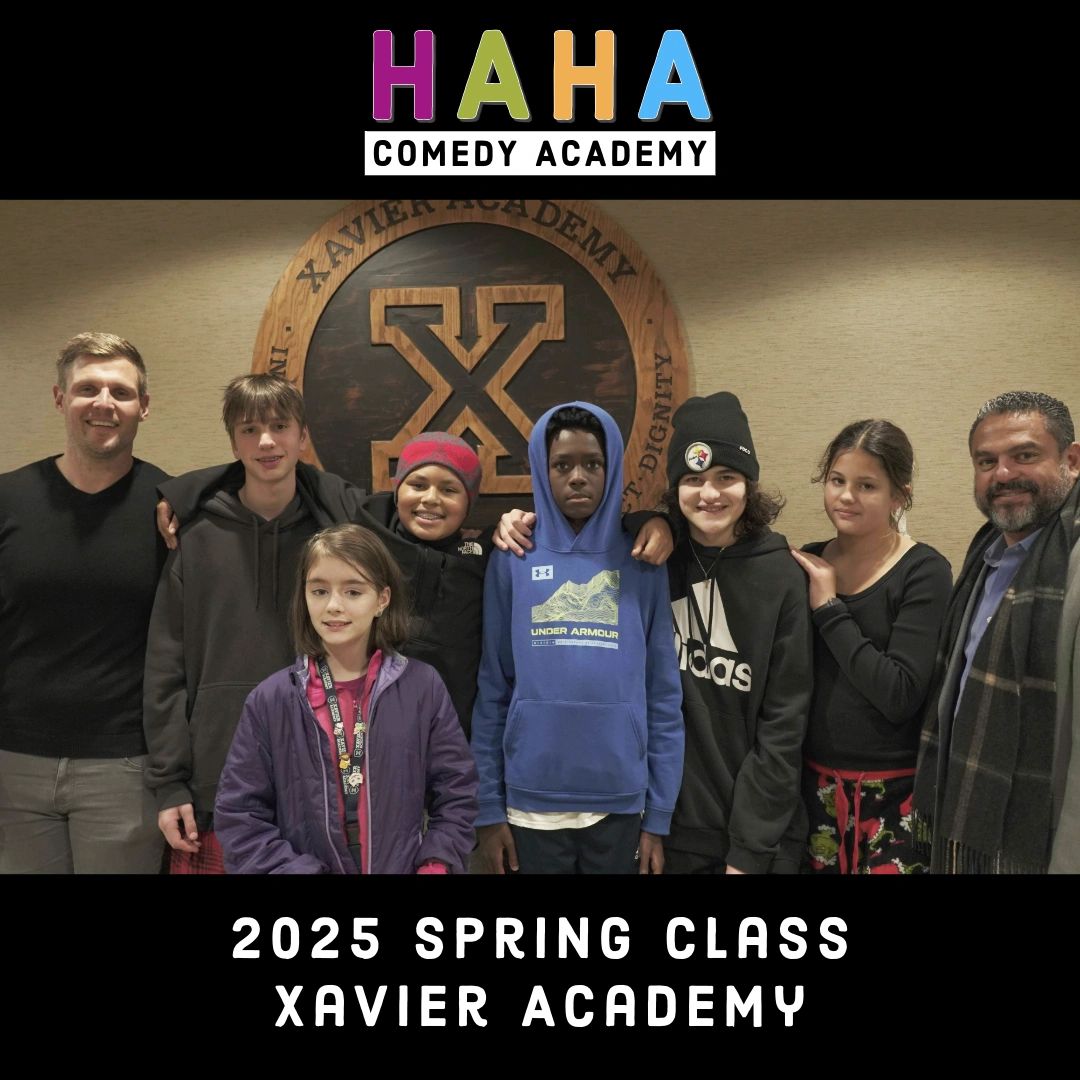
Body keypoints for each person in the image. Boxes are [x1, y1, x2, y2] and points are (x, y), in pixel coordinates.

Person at [143, 374, 368, 872]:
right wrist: (170, 782)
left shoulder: (339, 537)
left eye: (280, 426)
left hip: (324, 781)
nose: (266, 441)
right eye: (249, 429)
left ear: (302, 436)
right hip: (214, 781)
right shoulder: (194, 537)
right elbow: (165, 668)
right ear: (233, 443)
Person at [471, 402, 684, 874]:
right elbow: (493, 686)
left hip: (621, 800)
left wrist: (659, 815)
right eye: (562, 465)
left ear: (612, 469)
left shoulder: (643, 557)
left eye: (593, 464)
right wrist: (487, 808)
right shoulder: (514, 556)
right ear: (541, 470)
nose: (578, 478)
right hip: (529, 799)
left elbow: (663, 694)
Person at [214, 524, 477, 873]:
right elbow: (240, 816)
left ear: (382, 599)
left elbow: (457, 793)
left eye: (353, 591)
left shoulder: (422, 687)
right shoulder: (271, 699)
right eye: (319, 591)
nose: (334, 606)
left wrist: (436, 864)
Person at [0, 332, 165, 873]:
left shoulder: (174, 507)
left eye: (121, 391)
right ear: (59, 398)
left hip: (125, 768)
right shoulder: (7, 501)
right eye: (87, 388)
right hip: (12, 765)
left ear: (144, 405)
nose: (103, 403)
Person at [914, 391, 1080, 874]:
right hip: (966, 831)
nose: (1003, 474)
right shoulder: (985, 555)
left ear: (1072, 460)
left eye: (1024, 455)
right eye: (986, 461)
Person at [791, 420, 952, 874]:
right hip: (812, 785)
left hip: (896, 793)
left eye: (866, 486)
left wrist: (829, 608)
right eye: (837, 480)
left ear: (899, 495)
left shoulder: (924, 571)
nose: (846, 496)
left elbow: (900, 693)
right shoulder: (807, 562)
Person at [663, 391, 812, 874]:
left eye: (726, 477)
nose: (709, 494)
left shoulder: (783, 575)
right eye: (693, 479)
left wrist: (749, 850)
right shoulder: (655, 562)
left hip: (756, 840)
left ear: (748, 485)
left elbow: (784, 725)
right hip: (669, 832)